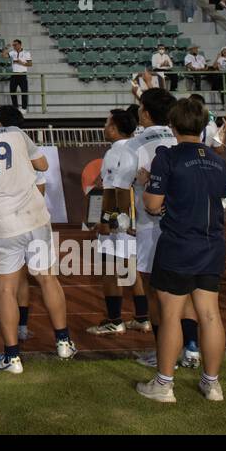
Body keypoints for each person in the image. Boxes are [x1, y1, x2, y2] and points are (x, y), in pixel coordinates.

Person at [0, 97, 75, 374]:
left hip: (2, 225)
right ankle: (64, 341)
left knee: (6, 289)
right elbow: (42, 165)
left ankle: (12, 357)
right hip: (35, 217)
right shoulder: (16, 133)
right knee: (47, 279)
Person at [136, 97, 226, 404]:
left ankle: (164, 384)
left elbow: (152, 205)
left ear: (173, 126)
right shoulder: (219, 161)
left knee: (171, 314)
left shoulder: (168, 156)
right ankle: (212, 384)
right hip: (212, 243)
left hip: (178, 243)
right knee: (210, 315)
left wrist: (149, 185)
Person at [87, 107, 151, 334]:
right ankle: (142, 317)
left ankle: (115, 320)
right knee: (134, 268)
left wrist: (104, 221)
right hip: (138, 218)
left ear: (114, 129)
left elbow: (112, 190)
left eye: (107, 123)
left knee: (111, 269)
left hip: (119, 221)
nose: (105, 127)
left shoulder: (115, 152)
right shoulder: (139, 147)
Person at [6, 39, 31, 110]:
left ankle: (24, 108)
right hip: (14, 74)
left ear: (20, 44)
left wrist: (21, 63)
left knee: (24, 91)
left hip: (22, 74)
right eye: (13, 45)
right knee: (12, 91)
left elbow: (30, 64)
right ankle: (15, 107)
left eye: (15, 45)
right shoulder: (12, 52)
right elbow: (4, 55)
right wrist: (6, 48)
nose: (14, 46)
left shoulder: (26, 53)